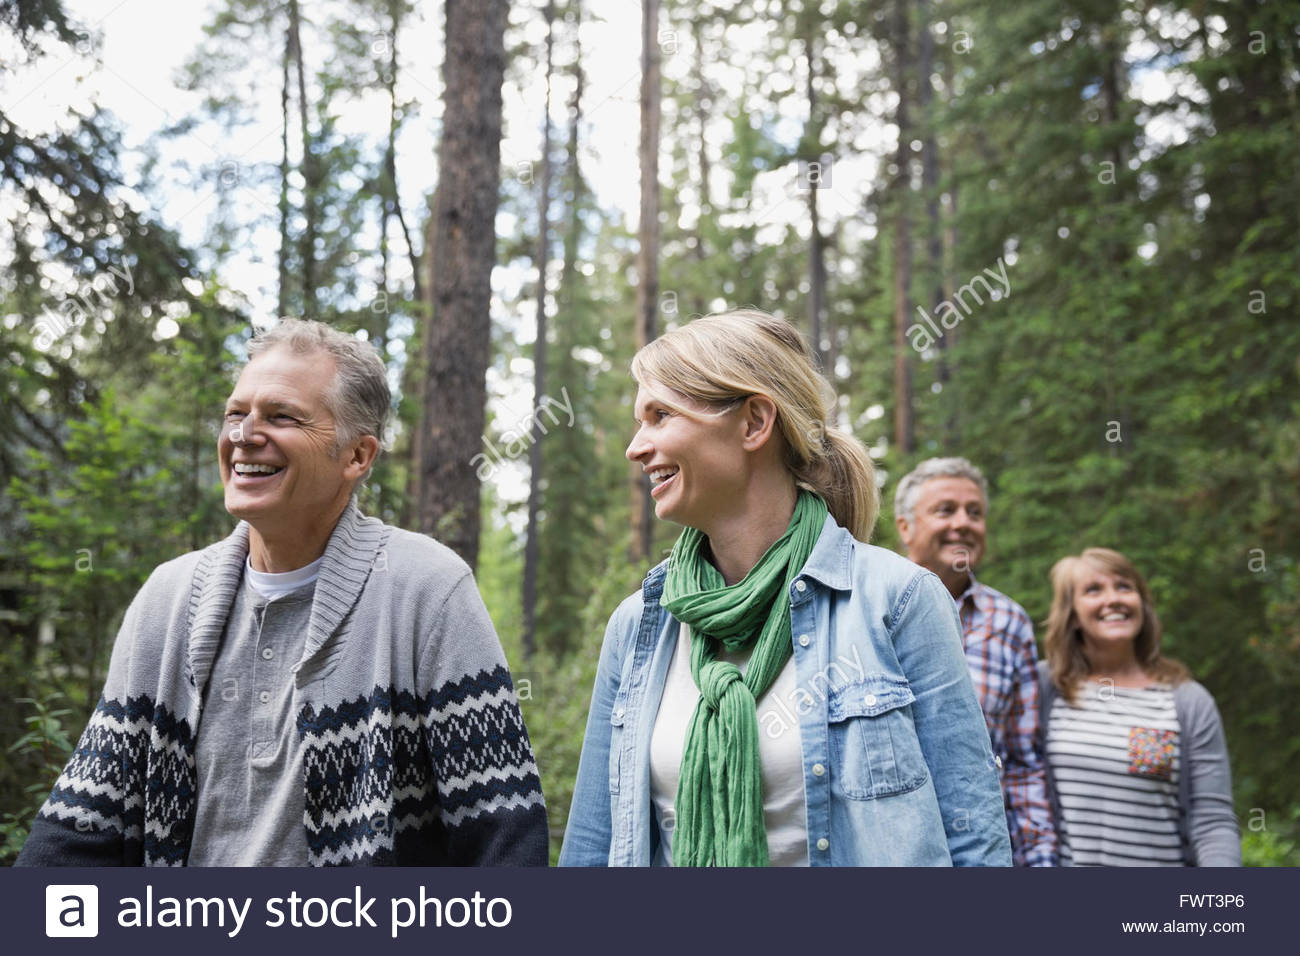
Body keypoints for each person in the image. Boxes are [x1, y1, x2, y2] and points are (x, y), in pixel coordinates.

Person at [17, 319, 548, 866]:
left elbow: (503, 837)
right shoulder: (167, 597)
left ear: (357, 456)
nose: (244, 435)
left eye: (281, 416)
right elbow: (81, 827)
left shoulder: (427, 589)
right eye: (235, 413)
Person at [558, 310, 1011, 867]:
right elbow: (591, 844)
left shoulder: (898, 600)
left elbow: (974, 836)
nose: (635, 447)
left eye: (659, 415)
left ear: (753, 423)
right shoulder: (640, 625)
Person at [894, 458, 1057, 866]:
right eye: (945, 510)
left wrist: (1040, 860)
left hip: (980, 851)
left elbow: (1022, 762)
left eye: (975, 512)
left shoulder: (1009, 621)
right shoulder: (867, 607)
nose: (963, 523)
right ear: (904, 527)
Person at [1039, 547, 1240, 866]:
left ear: (1142, 605)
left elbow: (1212, 820)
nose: (1113, 599)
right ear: (1073, 614)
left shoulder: (1188, 701)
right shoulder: (1043, 688)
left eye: (1124, 587)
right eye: (1093, 590)